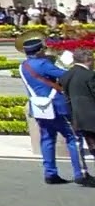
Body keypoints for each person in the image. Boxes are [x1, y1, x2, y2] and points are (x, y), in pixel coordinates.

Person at [19, 38, 90, 185]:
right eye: (43, 49)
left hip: (40, 108)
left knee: (47, 138)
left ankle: (50, 173)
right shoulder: (44, 64)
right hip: (57, 106)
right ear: (39, 51)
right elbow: (65, 74)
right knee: (74, 138)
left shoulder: (23, 66)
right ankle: (80, 173)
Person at [60, 48, 95, 161]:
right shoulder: (90, 75)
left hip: (78, 117)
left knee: (92, 146)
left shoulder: (66, 75)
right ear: (88, 60)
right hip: (92, 115)